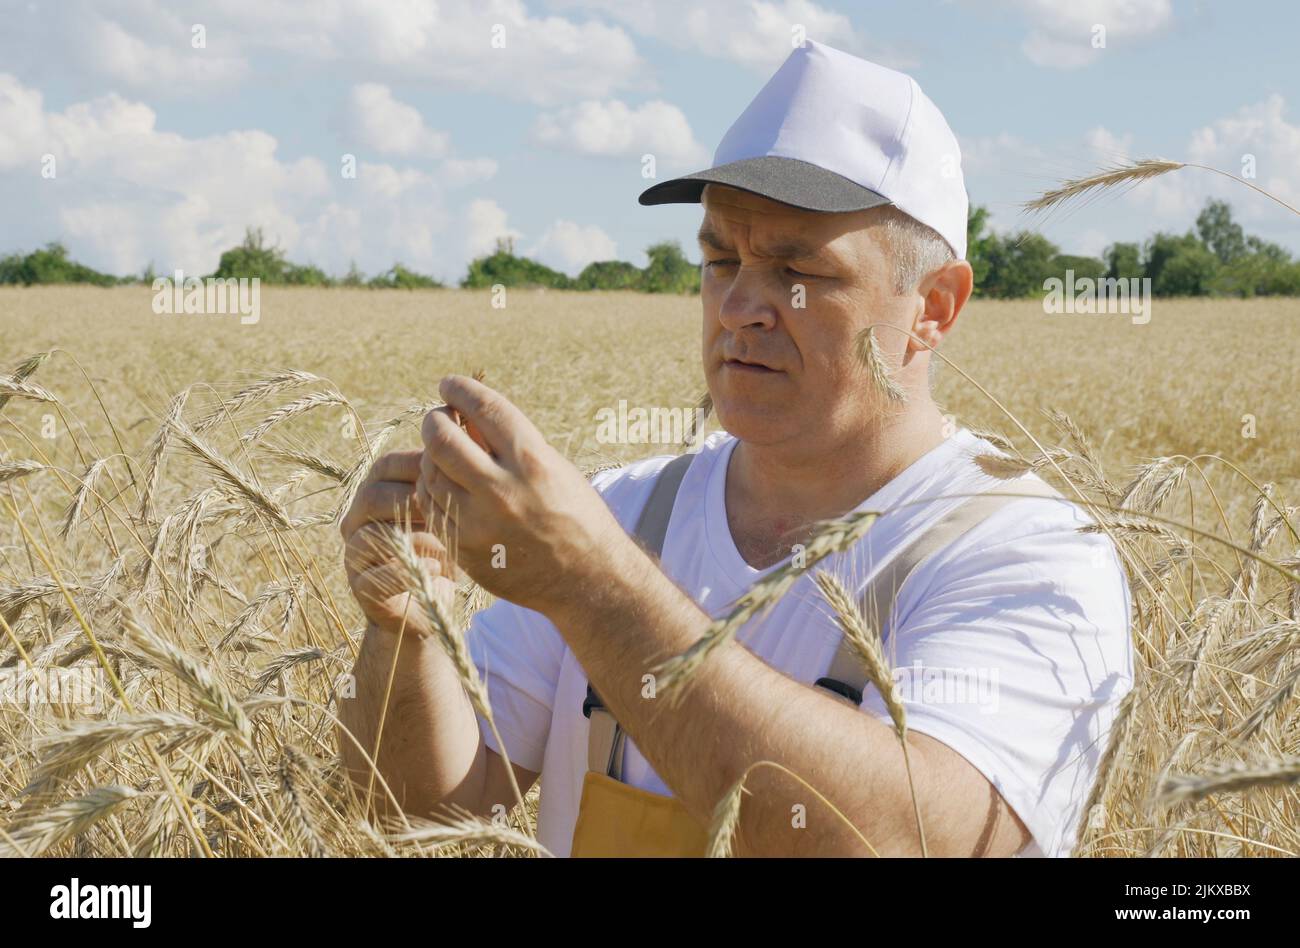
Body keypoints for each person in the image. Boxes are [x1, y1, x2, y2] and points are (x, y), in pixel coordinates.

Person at [338, 40, 1133, 857]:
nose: (742, 306)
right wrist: (405, 634)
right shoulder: (625, 512)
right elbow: (411, 816)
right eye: (720, 260)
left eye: (798, 271)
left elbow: (914, 840)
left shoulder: (1027, 554)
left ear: (933, 306)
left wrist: (590, 586)